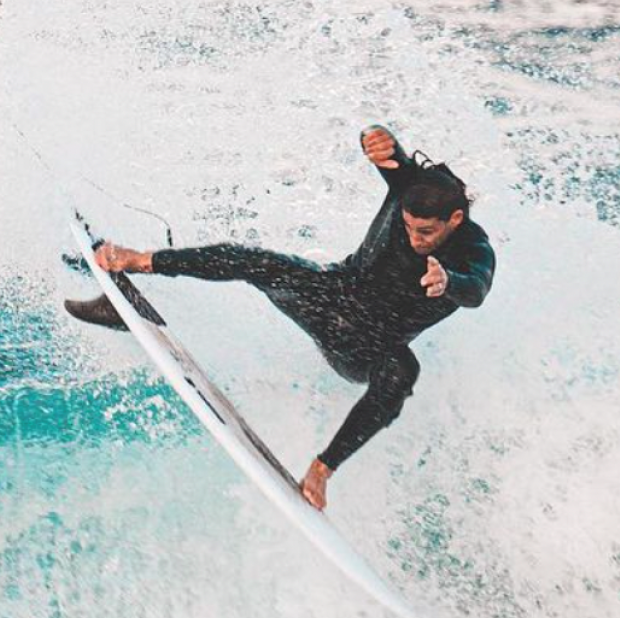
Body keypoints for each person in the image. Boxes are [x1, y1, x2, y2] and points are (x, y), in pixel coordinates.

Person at [65, 126, 496, 510]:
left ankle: (322, 470)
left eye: (426, 233)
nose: (414, 238)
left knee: (403, 370)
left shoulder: (475, 251)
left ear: (455, 219)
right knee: (256, 262)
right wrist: (377, 136)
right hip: (331, 297)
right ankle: (136, 268)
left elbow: (475, 289)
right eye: (408, 228)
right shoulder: (408, 190)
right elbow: (392, 156)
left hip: (366, 348)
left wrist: (449, 282)